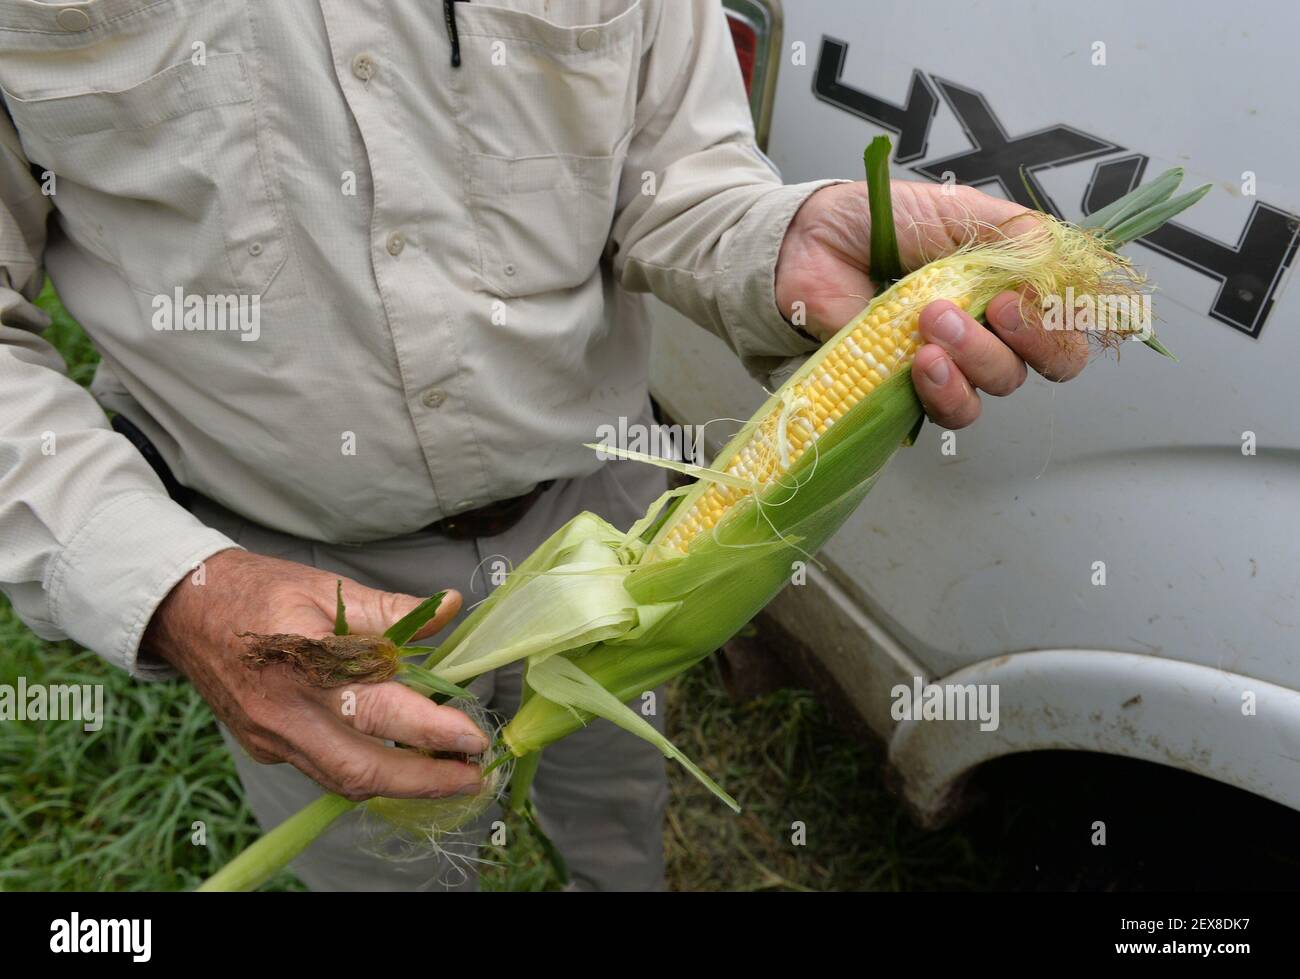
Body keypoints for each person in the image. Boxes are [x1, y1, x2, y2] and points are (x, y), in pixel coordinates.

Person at [0, 0, 1086, 891]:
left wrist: (777, 239)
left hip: (608, 524)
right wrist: (182, 589)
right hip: (290, 585)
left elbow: (675, 170)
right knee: (386, 865)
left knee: (615, 803)